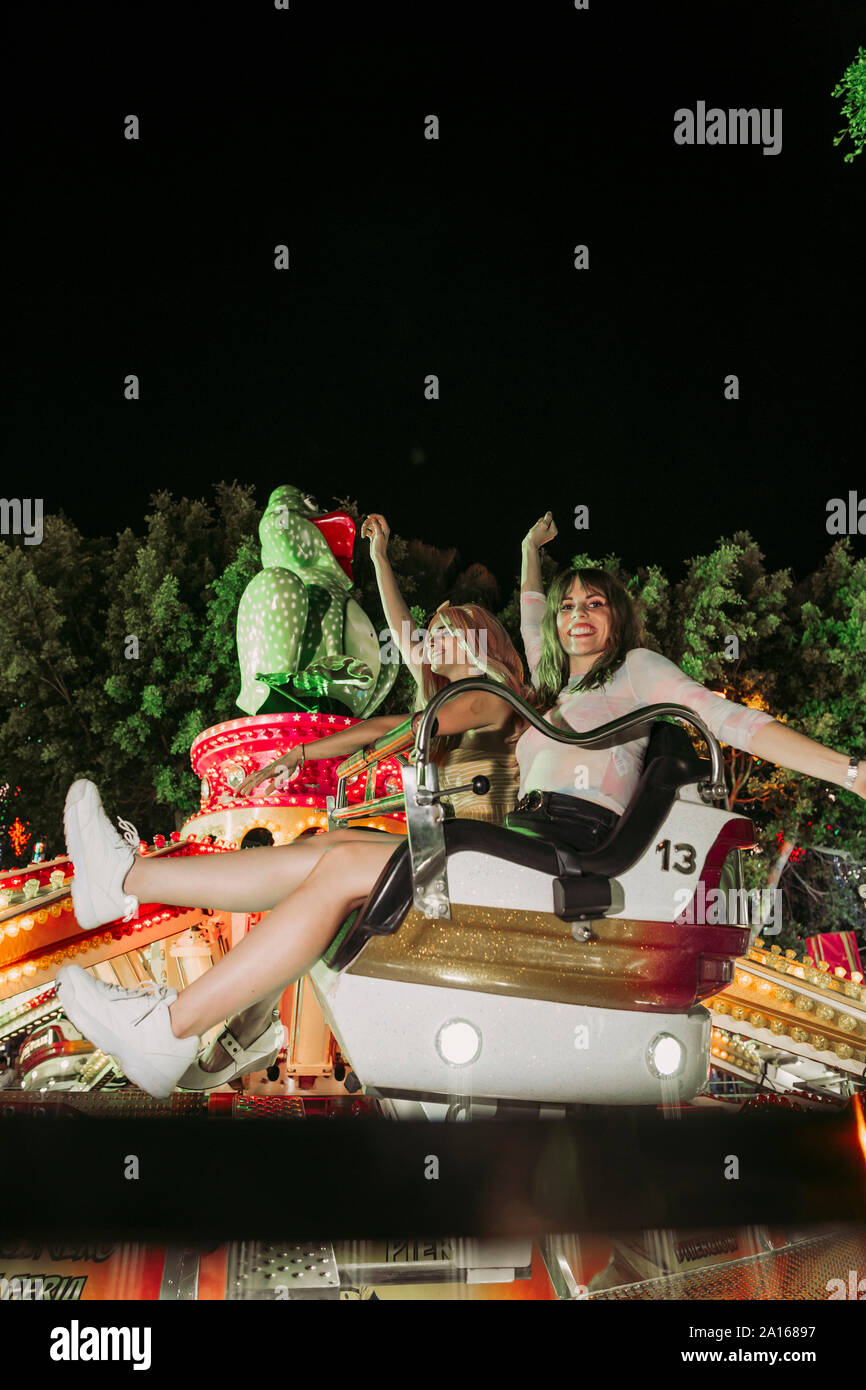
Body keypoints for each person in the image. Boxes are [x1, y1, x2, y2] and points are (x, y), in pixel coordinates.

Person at [56, 523, 528, 1095]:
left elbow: (394, 726)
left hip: (479, 863)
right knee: (317, 847)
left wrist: (302, 750)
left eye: (447, 632)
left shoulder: (487, 694)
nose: (429, 641)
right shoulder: (453, 698)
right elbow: (404, 652)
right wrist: (378, 558)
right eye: (431, 633)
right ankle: (163, 928)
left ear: (479, 639)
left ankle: (148, 922)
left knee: (332, 858)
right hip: (452, 854)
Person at [508, 511, 866, 852]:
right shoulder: (549, 682)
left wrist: (850, 773)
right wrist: (529, 547)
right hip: (526, 826)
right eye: (566, 607)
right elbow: (531, 617)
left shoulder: (633, 668)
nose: (578, 614)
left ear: (616, 618)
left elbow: (724, 718)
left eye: (594, 603)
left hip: (580, 831)